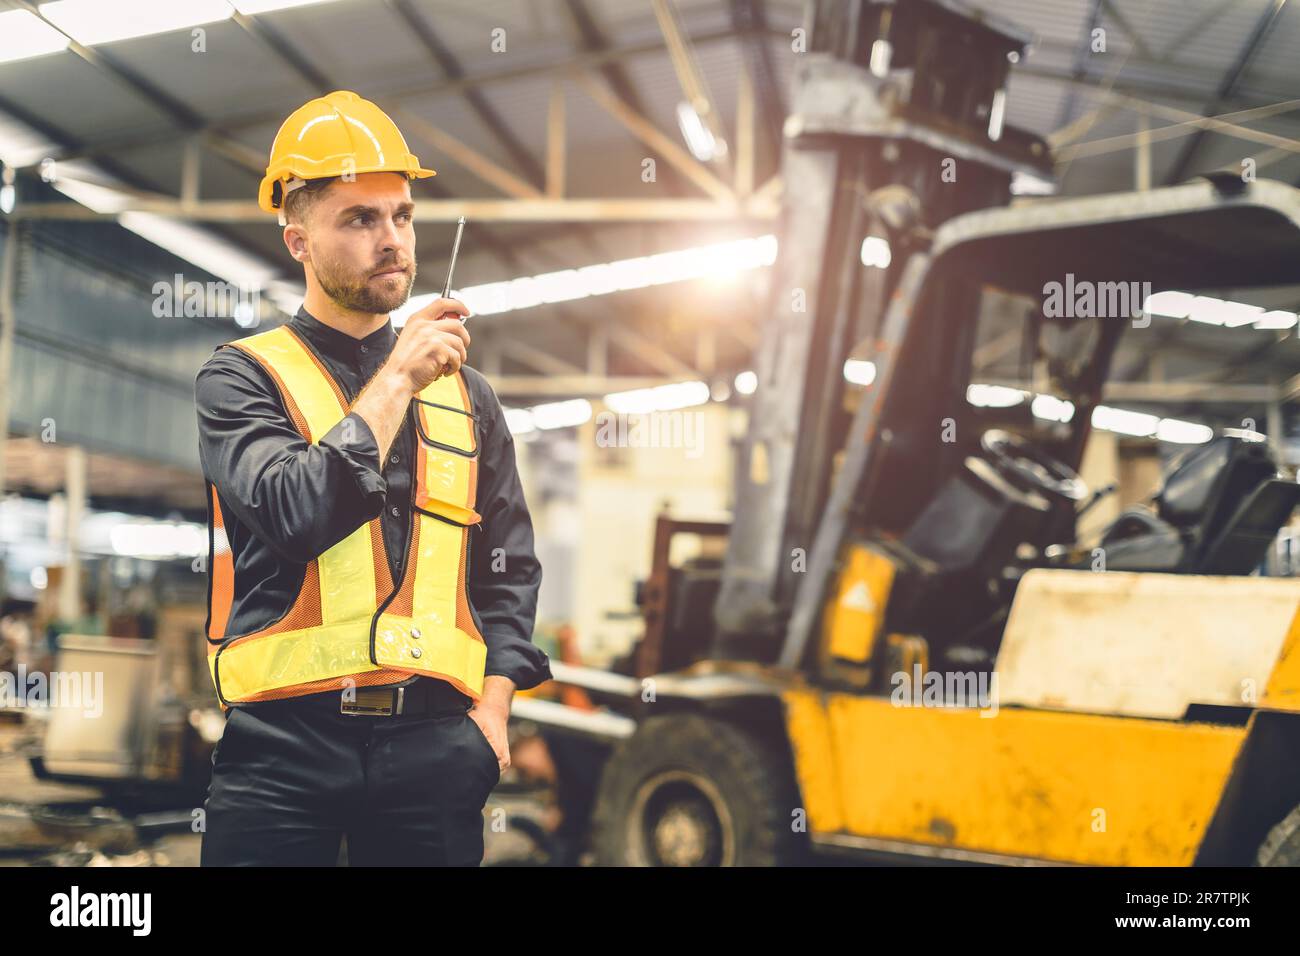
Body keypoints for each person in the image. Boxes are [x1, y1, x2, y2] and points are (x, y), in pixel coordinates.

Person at [194, 90, 551, 866]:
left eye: (402, 215)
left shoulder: (469, 399)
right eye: (360, 219)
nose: (391, 240)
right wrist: (396, 382)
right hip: (281, 753)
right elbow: (295, 512)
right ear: (299, 240)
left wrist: (492, 718)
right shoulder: (241, 379)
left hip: (436, 754)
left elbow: (509, 574)